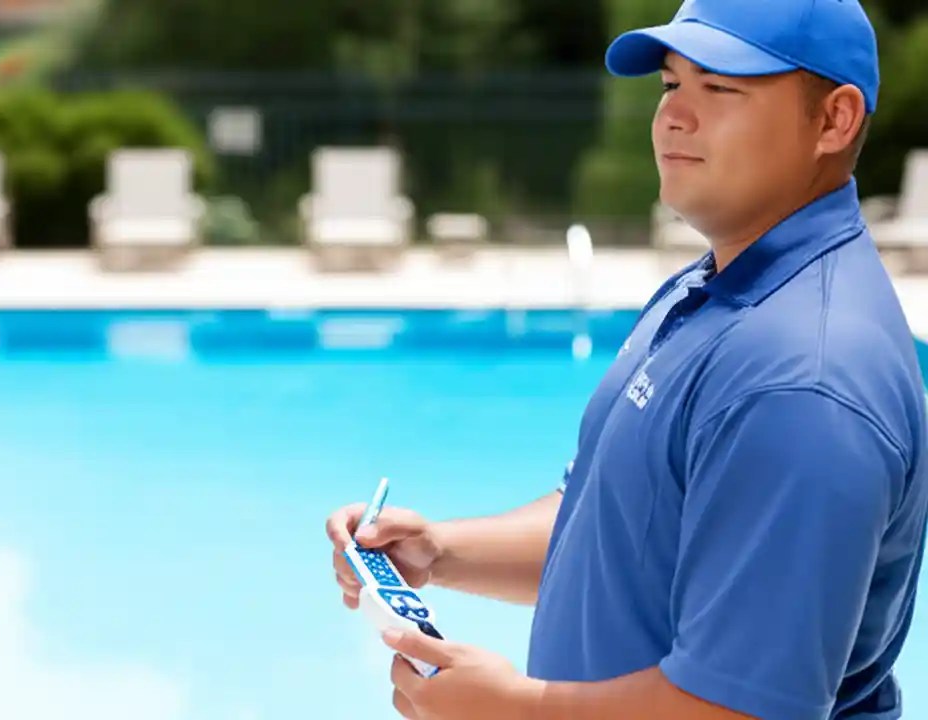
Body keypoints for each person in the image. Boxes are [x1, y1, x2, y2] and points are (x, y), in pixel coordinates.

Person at [324, 0, 928, 717]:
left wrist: (513, 712)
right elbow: (618, 526)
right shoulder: (715, 290)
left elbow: (742, 711)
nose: (674, 116)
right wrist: (440, 551)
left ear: (834, 119)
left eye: (721, 87)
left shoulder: (803, 380)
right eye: (672, 85)